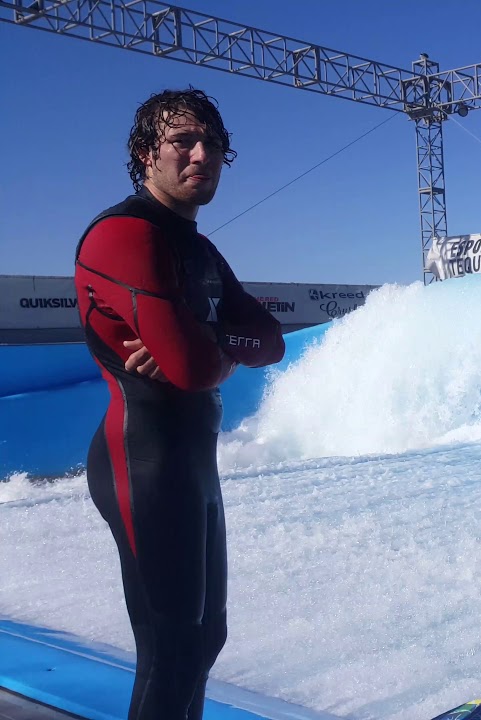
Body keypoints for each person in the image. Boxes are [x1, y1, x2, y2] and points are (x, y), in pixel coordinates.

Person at [72, 88, 285, 719]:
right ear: (145, 154)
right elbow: (193, 369)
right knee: (171, 652)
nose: (202, 155)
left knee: (204, 640)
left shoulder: (198, 247)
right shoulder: (125, 235)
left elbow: (269, 342)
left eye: (213, 143)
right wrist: (213, 350)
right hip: (144, 460)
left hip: (192, 464)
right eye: (183, 141)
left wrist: (206, 343)